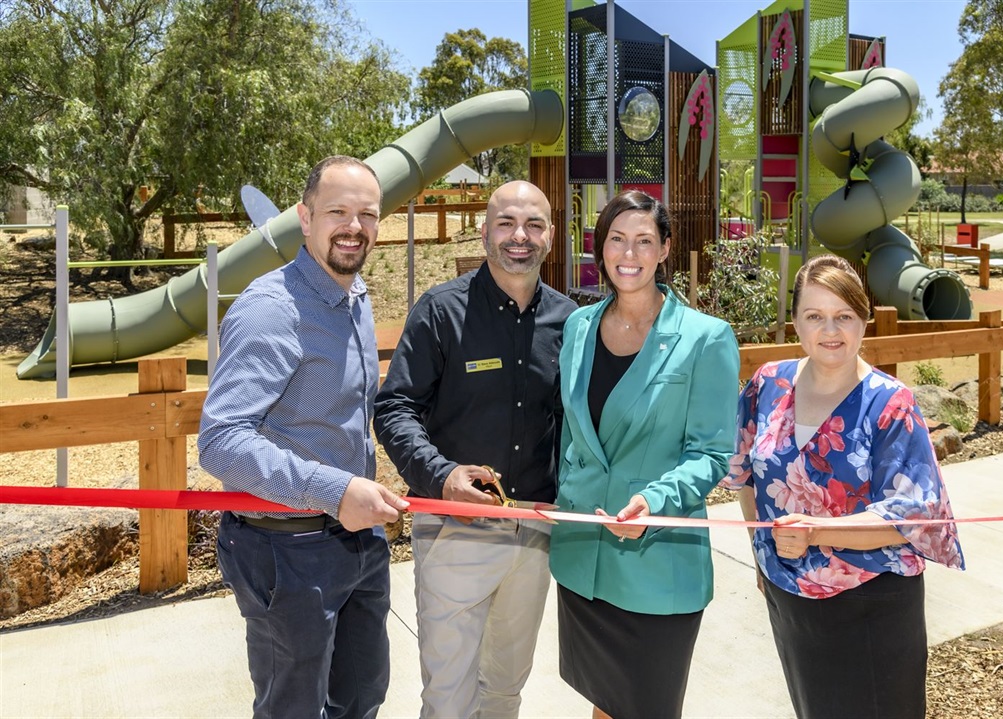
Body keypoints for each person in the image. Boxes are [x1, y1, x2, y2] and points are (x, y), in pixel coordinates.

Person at [198, 155, 408, 719]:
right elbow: (221, 440)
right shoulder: (272, 309)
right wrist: (333, 489)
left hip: (358, 544)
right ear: (305, 216)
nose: (354, 226)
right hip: (284, 550)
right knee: (292, 709)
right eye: (337, 211)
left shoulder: (354, 297)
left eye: (368, 214)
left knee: (361, 695)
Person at [721, 254, 965, 719]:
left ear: (864, 321)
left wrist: (815, 532)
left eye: (844, 316)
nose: (830, 330)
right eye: (815, 316)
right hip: (788, 593)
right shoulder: (766, 384)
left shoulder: (891, 403)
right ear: (794, 322)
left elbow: (911, 518)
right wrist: (760, 551)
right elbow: (745, 475)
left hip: (873, 600)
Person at [372, 180, 576, 718]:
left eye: (534, 224)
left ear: (551, 236)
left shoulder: (570, 322)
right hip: (452, 531)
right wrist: (441, 476)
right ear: (485, 230)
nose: (519, 237)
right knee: (449, 699)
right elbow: (394, 409)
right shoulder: (441, 311)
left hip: (533, 531)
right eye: (506, 223)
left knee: (504, 692)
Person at [548, 190, 740, 719]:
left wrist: (653, 502)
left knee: (646, 707)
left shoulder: (707, 338)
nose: (628, 253)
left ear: (665, 249)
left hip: (658, 567)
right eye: (616, 239)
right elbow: (572, 432)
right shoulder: (578, 327)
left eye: (643, 241)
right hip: (582, 557)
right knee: (604, 704)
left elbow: (711, 453)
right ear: (599, 247)